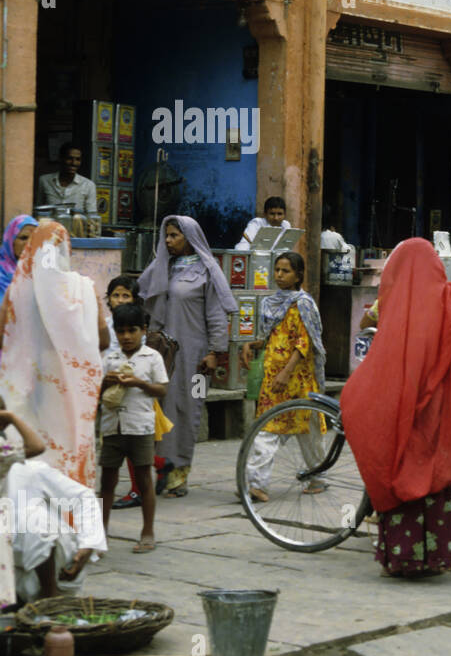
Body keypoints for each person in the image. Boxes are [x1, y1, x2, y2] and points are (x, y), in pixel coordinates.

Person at [339, 238, 451, 579]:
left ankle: (400, 557)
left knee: (396, 457)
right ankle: (433, 555)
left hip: (400, 400)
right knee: (430, 466)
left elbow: (366, 325)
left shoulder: (389, 299)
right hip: (437, 403)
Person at [0, 220, 108, 491]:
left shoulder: (17, 290)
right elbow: (104, 340)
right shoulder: (84, 288)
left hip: (25, 386)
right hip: (69, 389)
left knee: (32, 445)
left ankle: (28, 512)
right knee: (68, 443)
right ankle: (66, 516)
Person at [138, 215, 237, 498]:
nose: (168, 241)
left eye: (174, 236)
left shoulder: (208, 271)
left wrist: (215, 353)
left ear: (189, 238)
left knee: (190, 408)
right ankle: (159, 469)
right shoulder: (161, 268)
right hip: (162, 356)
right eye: (166, 236)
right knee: (160, 408)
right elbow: (142, 298)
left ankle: (179, 475)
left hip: (198, 359)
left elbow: (217, 316)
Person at [239, 252, 328, 504]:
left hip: (297, 380)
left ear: (298, 276)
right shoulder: (272, 303)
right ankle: (256, 484)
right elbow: (273, 338)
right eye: (277, 270)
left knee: (308, 431)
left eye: (285, 271)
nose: (279, 275)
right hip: (273, 381)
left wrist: (286, 373)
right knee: (267, 429)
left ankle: (317, 476)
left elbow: (304, 343)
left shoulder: (303, 304)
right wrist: (252, 345)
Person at [1, 400, 106, 602]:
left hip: (38, 575)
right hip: (10, 574)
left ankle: (49, 595)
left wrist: (89, 543)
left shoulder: (30, 471)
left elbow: (84, 497)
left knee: (34, 521)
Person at [98, 303, 167, 553]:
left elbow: (161, 389)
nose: (126, 336)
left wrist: (138, 383)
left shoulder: (152, 357)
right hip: (112, 427)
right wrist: (106, 383)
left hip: (140, 427)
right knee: (107, 481)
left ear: (144, 330)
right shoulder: (110, 359)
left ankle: (147, 532)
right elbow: (97, 393)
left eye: (132, 331)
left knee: (144, 480)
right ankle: (100, 534)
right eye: (121, 331)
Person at [36, 143, 96, 213]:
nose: (74, 163)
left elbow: (92, 215)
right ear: (60, 159)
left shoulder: (88, 185)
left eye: (78, 159)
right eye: (69, 158)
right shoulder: (44, 181)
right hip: (51, 223)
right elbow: (39, 210)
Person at [0, 214, 37, 301]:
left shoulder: (39, 270)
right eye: (24, 238)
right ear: (10, 241)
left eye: (34, 239)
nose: (29, 244)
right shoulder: (2, 274)